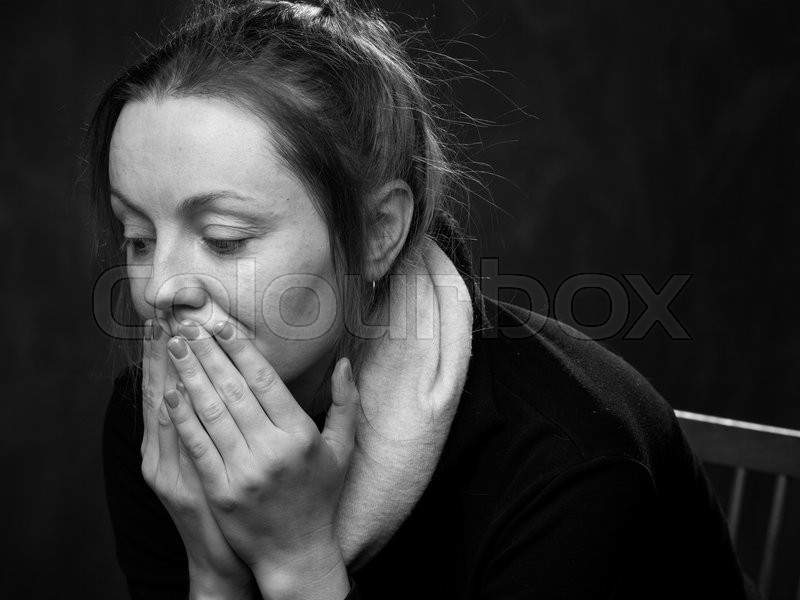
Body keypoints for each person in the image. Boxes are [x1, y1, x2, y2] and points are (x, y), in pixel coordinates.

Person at [93, 1, 759, 598]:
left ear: (378, 232)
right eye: (139, 238)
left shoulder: (571, 460)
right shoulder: (156, 425)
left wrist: (296, 563)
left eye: (225, 238)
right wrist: (213, 576)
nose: (159, 289)